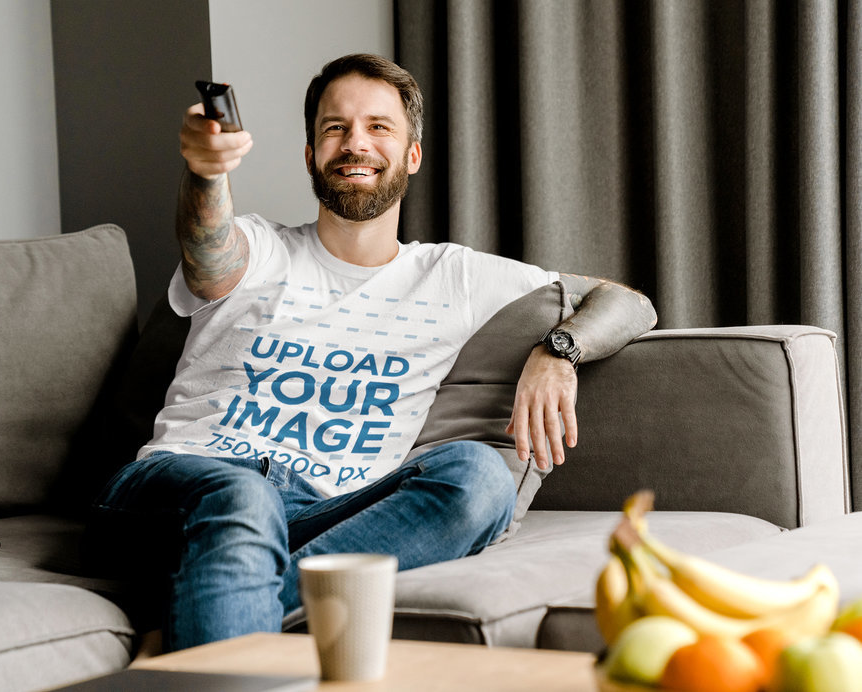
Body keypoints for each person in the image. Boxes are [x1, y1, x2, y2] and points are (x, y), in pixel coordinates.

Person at [85, 53, 657, 654]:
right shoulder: (259, 247)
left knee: (479, 478)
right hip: (172, 491)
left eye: (378, 127)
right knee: (243, 496)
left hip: (320, 514)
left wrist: (558, 350)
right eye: (335, 128)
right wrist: (205, 175)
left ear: (411, 155)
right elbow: (208, 250)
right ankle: (227, 634)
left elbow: (628, 302)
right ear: (311, 155)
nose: (355, 143)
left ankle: (215, 606)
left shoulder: (454, 275)